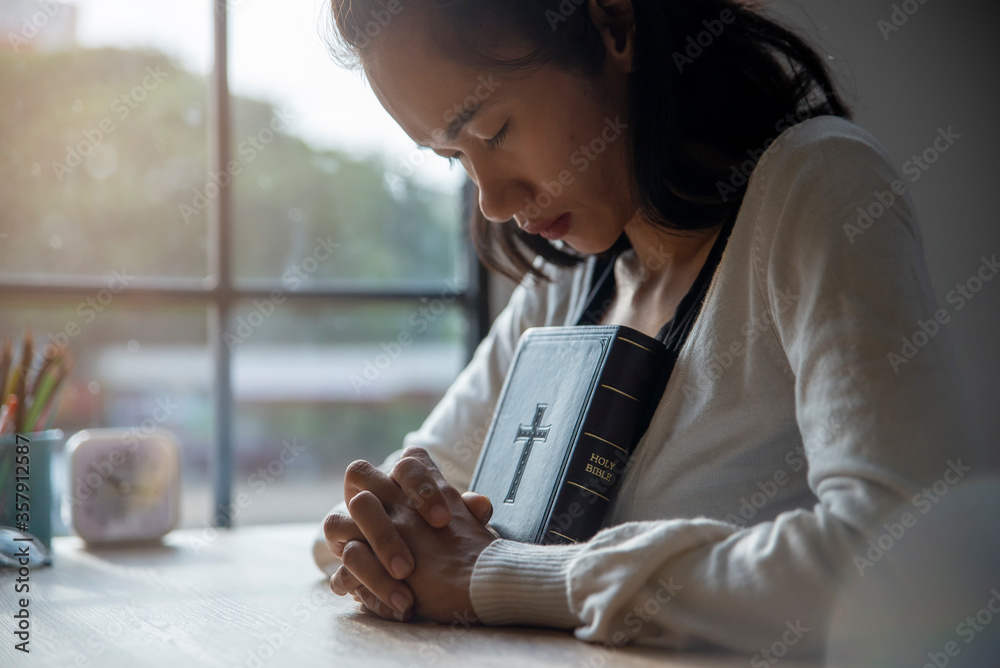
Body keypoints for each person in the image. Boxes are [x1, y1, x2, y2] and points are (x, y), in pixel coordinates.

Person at [311, 0, 980, 656]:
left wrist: (504, 577)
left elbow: (914, 563)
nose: (493, 201)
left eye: (492, 132)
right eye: (453, 157)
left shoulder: (817, 189)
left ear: (614, 24)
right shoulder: (574, 280)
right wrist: (381, 536)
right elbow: (410, 502)